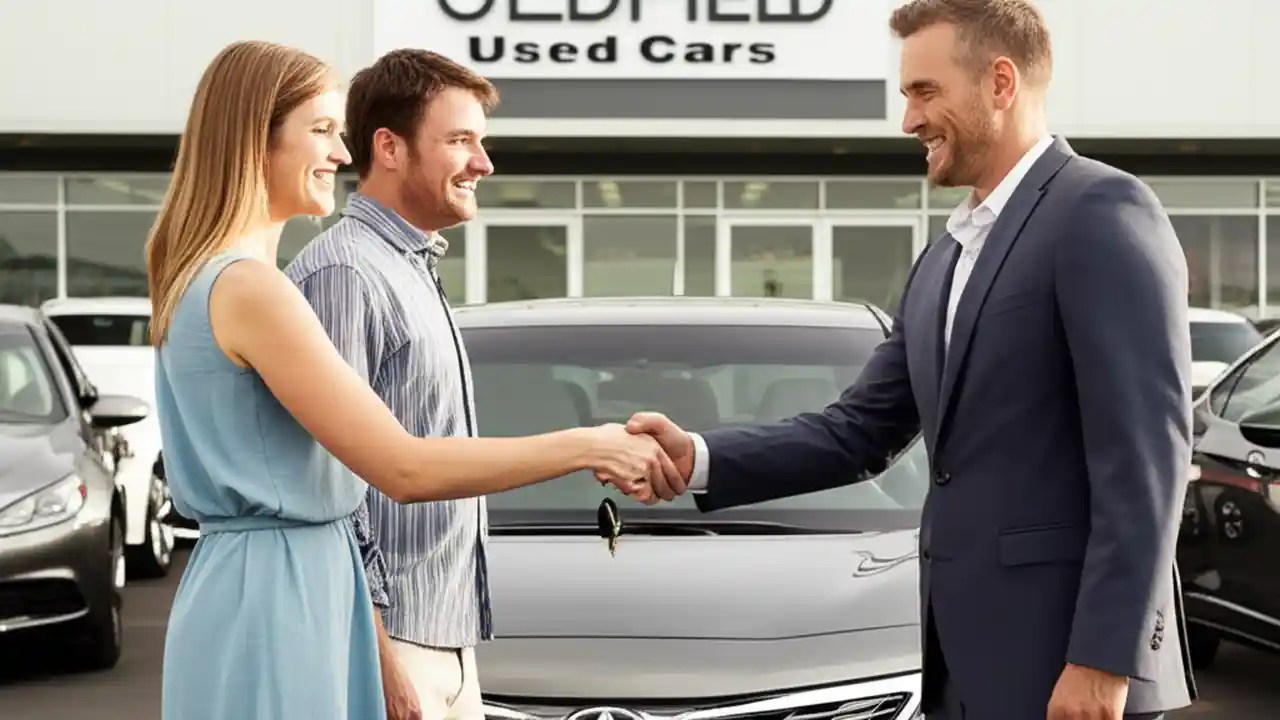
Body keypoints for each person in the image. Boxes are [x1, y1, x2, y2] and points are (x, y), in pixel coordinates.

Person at [626, 1, 1198, 719]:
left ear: (1000, 82)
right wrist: (699, 458)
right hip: (962, 668)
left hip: (1067, 671)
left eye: (925, 92)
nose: (908, 120)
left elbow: (1147, 459)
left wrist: (1105, 661)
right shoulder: (943, 258)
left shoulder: (1101, 210)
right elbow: (858, 431)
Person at [146, 40, 671, 720]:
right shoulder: (253, 288)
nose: (341, 153)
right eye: (321, 130)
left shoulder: (211, 280)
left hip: (259, 586)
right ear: (255, 139)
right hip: (283, 594)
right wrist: (588, 444)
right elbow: (402, 467)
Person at [283, 48, 604, 720]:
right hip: (392, 647)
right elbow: (329, 487)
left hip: (447, 644)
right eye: (460, 141)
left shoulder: (407, 266)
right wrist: (378, 660)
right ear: (389, 148)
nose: (483, 163)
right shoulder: (346, 274)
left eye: (480, 142)